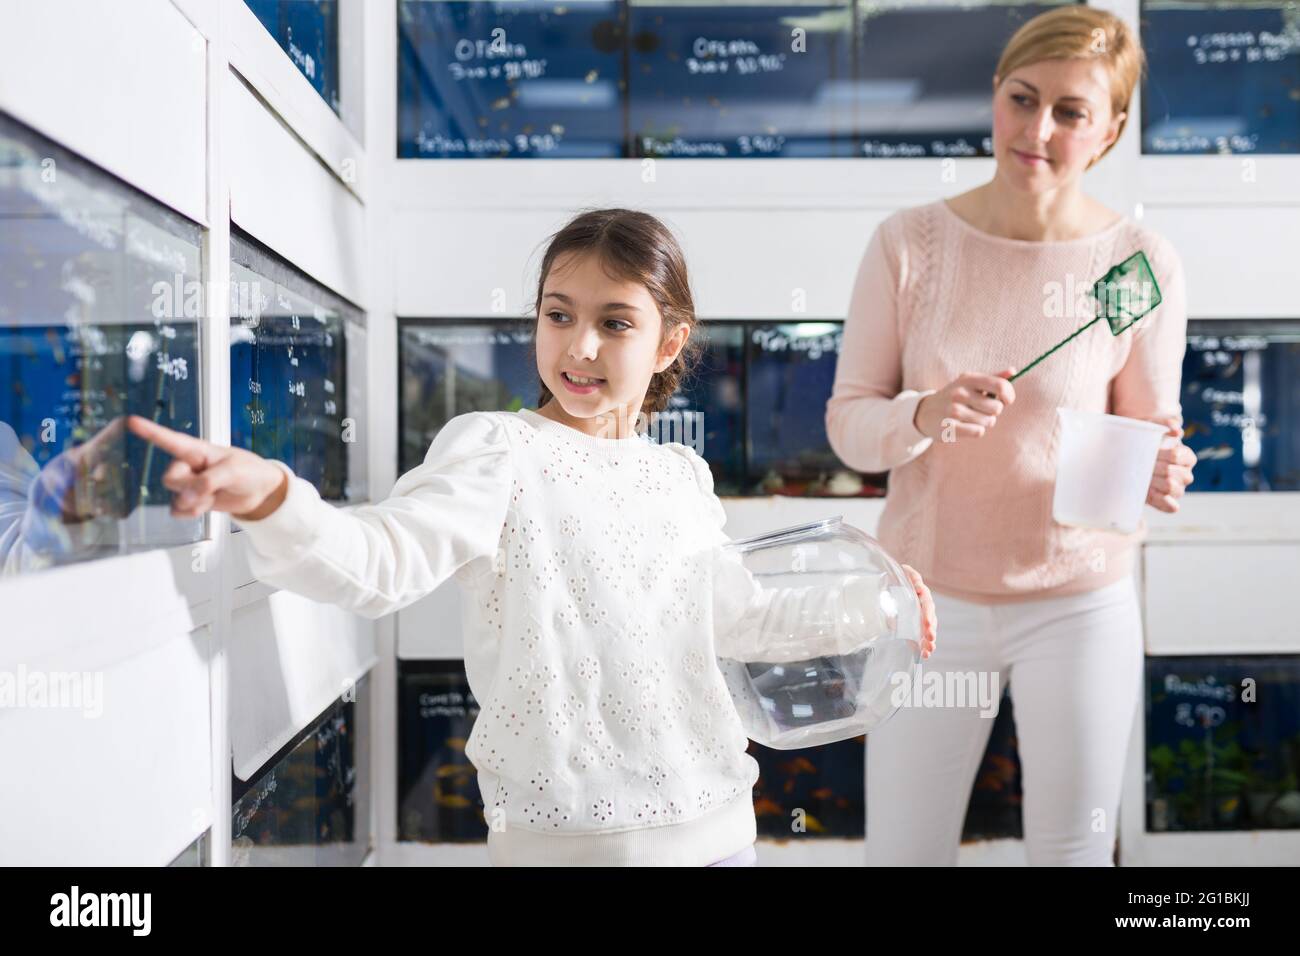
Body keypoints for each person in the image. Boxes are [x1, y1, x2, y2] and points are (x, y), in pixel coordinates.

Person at [129, 207, 938, 867]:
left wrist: (878, 602)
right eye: (559, 315)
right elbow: (382, 563)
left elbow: (744, 618)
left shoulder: (681, 477)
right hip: (564, 848)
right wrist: (276, 499)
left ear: (669, 343)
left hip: (723, 834)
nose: (579, 347)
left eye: (615, 322)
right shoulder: (497, 450)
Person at [825, 7, 1197, 866]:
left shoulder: (1140, 265)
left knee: (1072, 852)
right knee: (904, 855)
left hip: (1079, 601)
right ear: (995, 94)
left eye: (1071, 112)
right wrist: (922, 413)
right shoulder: (908, 246)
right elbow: (849, 425)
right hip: (928, 604)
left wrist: (1161, 471)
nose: (1038, 129)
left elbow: (1148, 431)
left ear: (1107, 132)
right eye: (1022, 99)